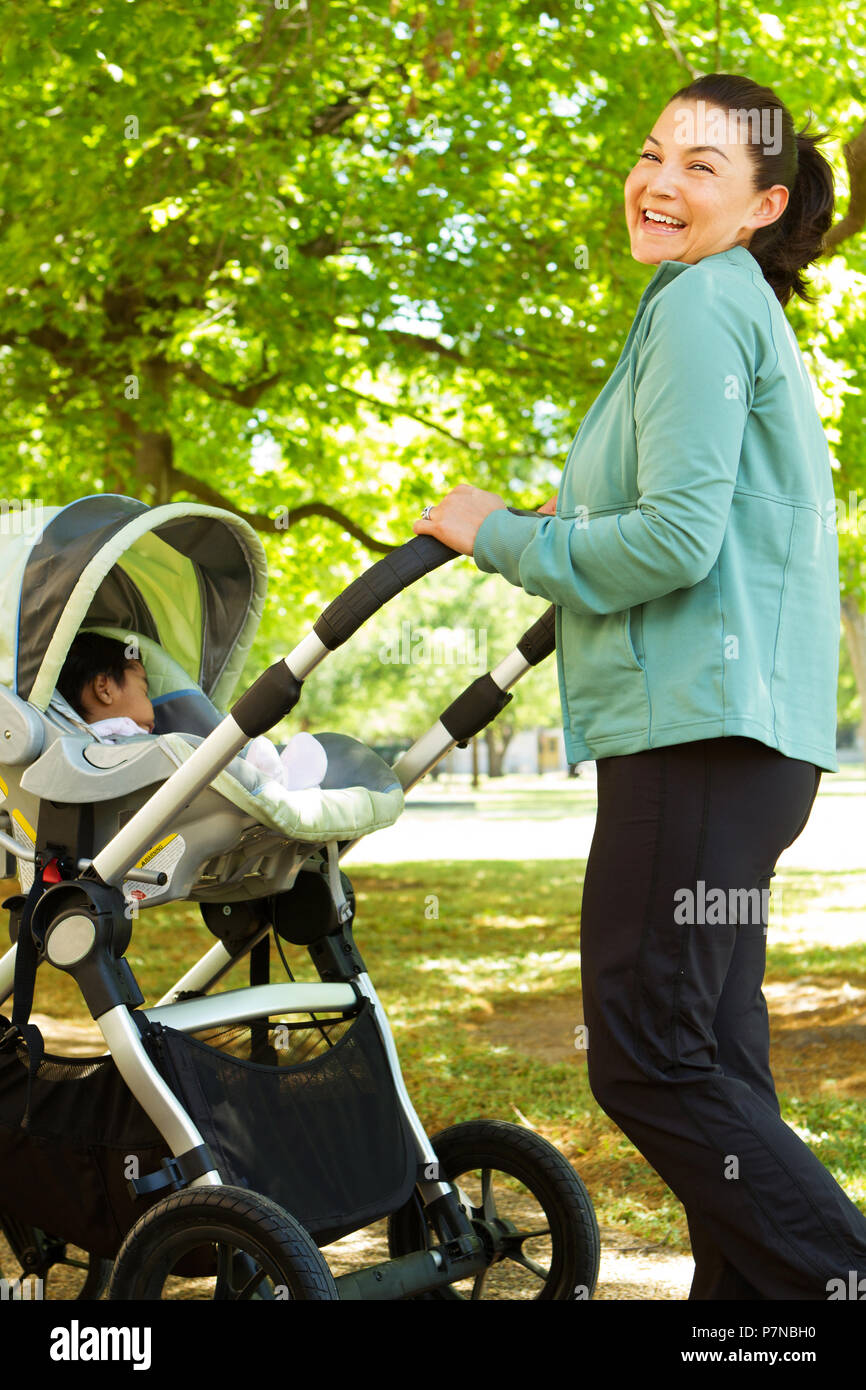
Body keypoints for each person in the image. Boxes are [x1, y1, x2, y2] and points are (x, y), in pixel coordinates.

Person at [413, 72, 866, 1300]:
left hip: (696, 753)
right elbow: (682, 515)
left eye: (701, 168)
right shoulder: (729, 310)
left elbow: (674, 545)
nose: (659, 181)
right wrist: (573, 523)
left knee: (649, 1062)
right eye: (653, 150)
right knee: (712, 1059)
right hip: (740, 753)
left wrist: (498, 531)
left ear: (761, 205)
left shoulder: (698, 308)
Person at [56, 631, 328, 792]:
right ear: (105, 689)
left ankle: (275, 779)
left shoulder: (75, 747)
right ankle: (277, 782)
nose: (152, 703)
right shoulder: (120, 739)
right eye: (144, 689)